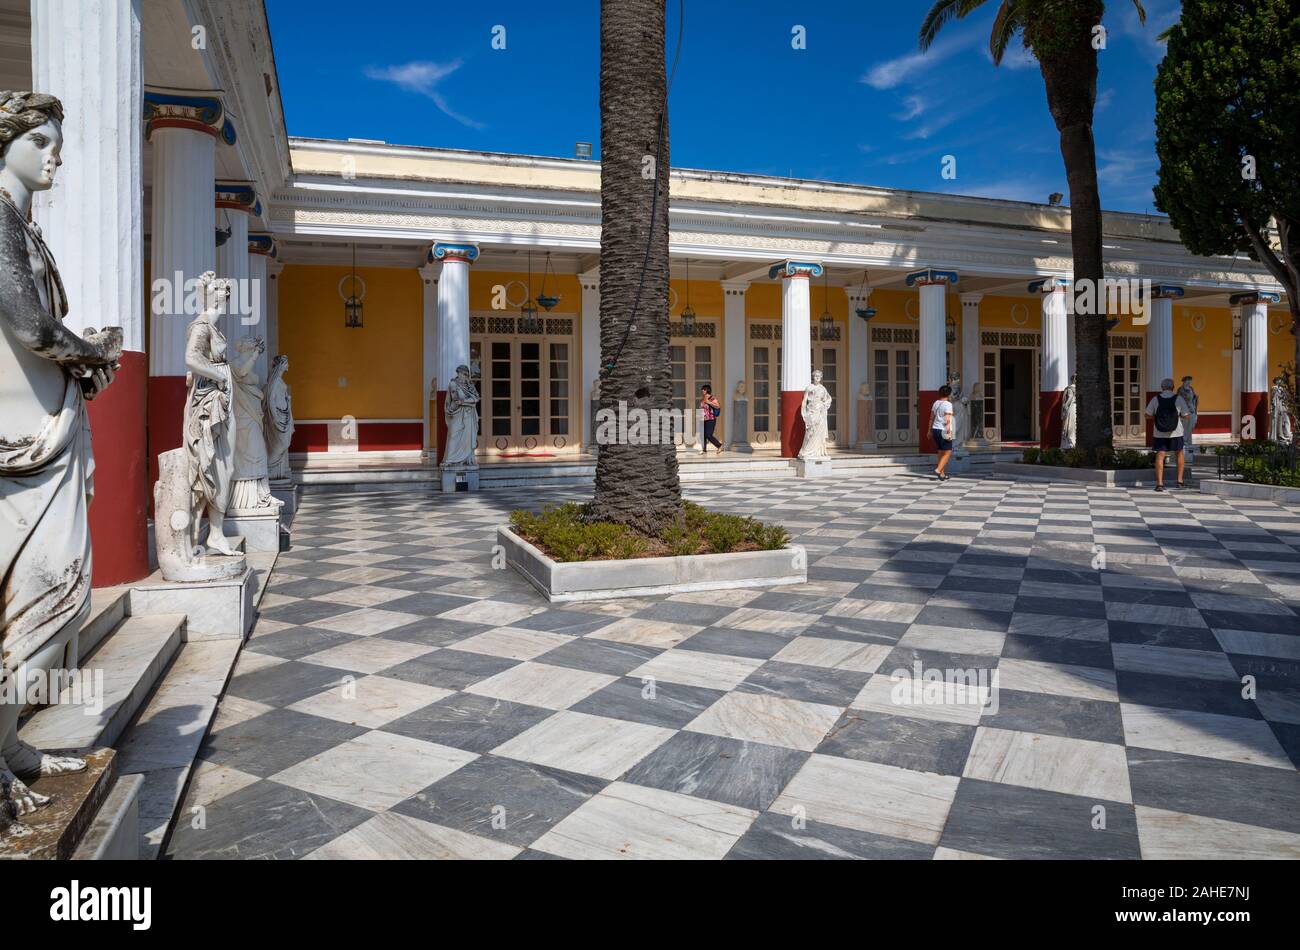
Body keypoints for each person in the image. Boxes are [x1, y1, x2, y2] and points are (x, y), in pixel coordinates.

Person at [1144, 377, 1192, 492]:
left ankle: (1160, 484)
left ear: (1162, 387)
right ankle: (1179, 481)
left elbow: (1147, 415)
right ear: (1173, 387)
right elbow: (1186, 416)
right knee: (1179, 453)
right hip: (1176, 432)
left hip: (1159, 432)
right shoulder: (1179, 399)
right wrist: (1178, 416)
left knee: (1160, 455)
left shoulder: (1155, 399)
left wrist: (1157, 417)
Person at [930, 384, 955, 480]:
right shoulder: (948, 404)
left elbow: (931, 418)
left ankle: (942, 474)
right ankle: (938, 470)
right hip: (943, 431)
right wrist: (948, 433)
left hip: (935, 430)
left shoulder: (936, 403)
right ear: (949, 394)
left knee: (941, 452)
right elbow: (947, 420)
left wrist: (929, 431)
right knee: (948, 452)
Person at [699, 384, 723, 453]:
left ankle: (719, 446)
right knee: (703, 435)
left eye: (704, 389)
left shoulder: (712, 398)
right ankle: (704, 450)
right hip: (703, 419)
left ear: (707, 390)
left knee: (708, 434)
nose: (702, 391)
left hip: (711, 419)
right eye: (702, 389)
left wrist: (709, 402)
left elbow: (718, 406)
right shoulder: (702, 399)